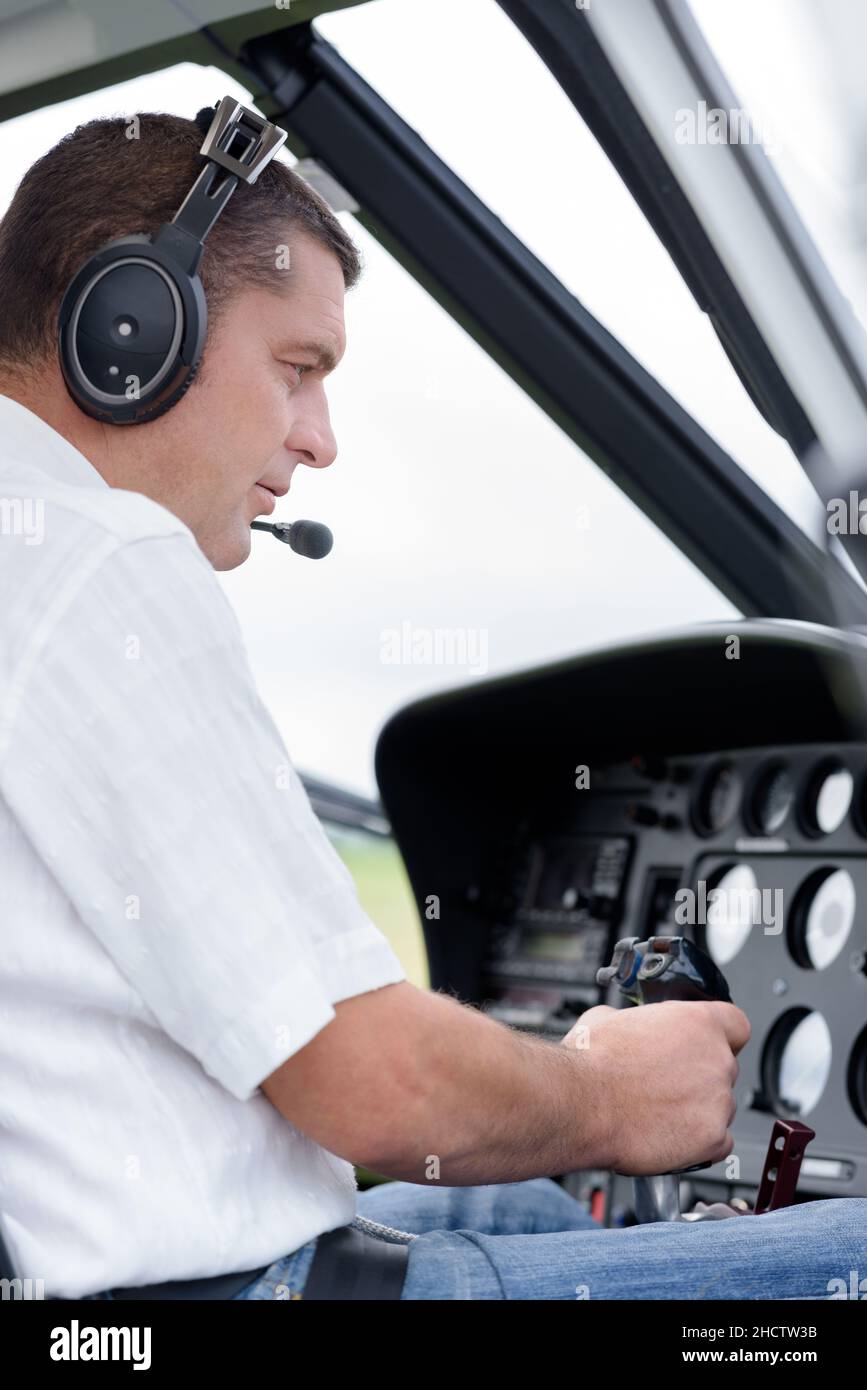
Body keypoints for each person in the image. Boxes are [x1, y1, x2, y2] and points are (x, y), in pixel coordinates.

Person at [0, 110, 861, 1303]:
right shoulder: (103, 564)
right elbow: (369, 1087)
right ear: (130, 328)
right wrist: (611, 1092)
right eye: (298, 369)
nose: (321, 440)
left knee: (513, 1200)